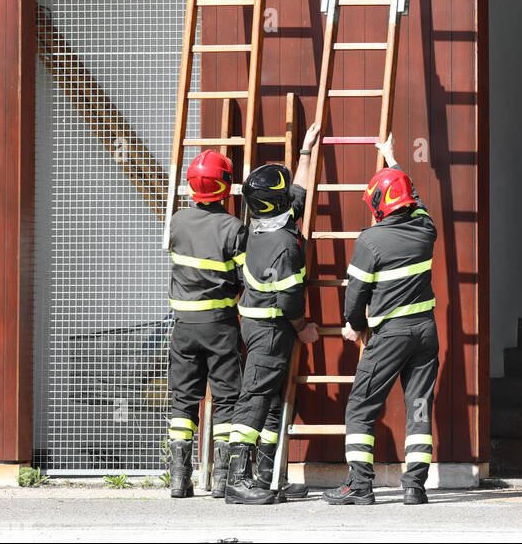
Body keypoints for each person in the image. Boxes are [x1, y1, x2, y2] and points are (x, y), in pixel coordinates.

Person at [323, 134, 439, 506]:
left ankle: (359, 485)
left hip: (390, 335)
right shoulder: (426, 230)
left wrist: (353, 324)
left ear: (377, 204)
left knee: (361, 405)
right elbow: (416, 201)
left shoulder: (370, 241)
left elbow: (355, 294)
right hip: (426, 332)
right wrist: (393, 160)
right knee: (419, 405)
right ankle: (414, 487)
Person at [223, 123, 321, 505]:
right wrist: (303, 329)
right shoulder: (285, 246)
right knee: (254, 397)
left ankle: (264, 477)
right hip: (269, 329)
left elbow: (299, 190)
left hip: (258, 324)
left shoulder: (266, 226)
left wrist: (306, 151)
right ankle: (238, 482)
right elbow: (291, 300)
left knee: (270, 399)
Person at [166, 149, 246, 499]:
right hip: (221, 326)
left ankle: (179, 481)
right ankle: (222, 480)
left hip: (183, 325)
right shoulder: (233, 228)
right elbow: (248, 276)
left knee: (184, 401)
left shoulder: (177, 222)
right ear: (226, 186)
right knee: (227, 398)